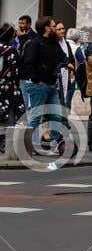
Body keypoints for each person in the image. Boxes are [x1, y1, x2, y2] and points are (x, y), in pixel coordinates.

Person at [18, 17, 65, 155]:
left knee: (56, 115)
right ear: (46, 28)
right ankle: (29, 146)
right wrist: (37, 79)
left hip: (51, 84)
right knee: (36, 116)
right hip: (38, 85)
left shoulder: (54, 43)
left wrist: (67, 62)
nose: (56, 29)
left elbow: (62, 56)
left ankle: (53, 144)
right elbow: (28, 63)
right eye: (53, 26)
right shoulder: (35, 43)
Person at [0, 24, 23, 152]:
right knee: (9, 113)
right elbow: (16, 70)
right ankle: (5, 140)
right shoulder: (11, 50)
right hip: (8, 87)